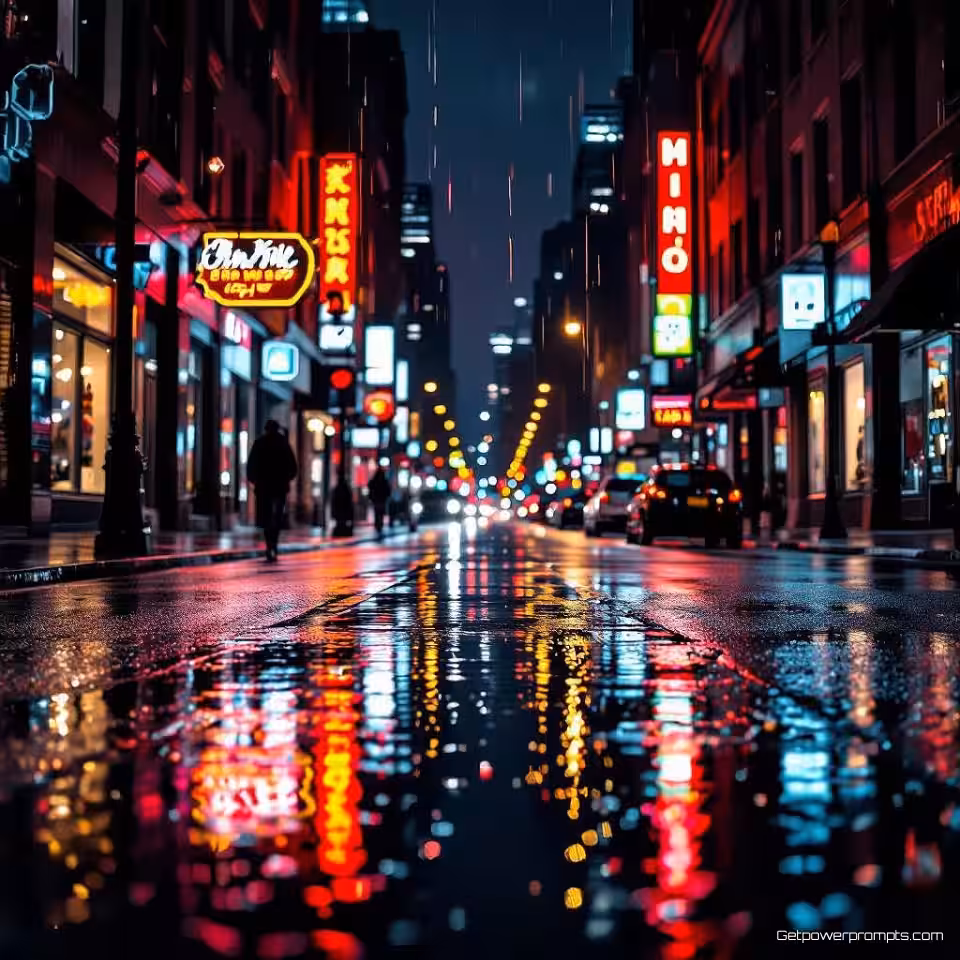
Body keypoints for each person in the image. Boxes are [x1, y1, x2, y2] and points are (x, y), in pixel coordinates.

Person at [247, 420, 298, 562]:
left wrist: (255, 480)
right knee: (276, 517)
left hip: (264, 487)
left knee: (266, 517)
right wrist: (286, 478)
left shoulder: (260, 443)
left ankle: (270, 544)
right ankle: (273, 544)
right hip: (279, 487)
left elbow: (251, 465)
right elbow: (293, 467)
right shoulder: (283, 444)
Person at [368, 466, 391, 534]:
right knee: (380, 513)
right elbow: (388, 490)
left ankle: (378, 525)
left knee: (377, 512)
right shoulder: (384, 481)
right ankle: (379, 525)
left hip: (377, 499)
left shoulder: (375, 480)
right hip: (381, 500)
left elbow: (370, 486)